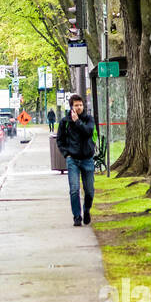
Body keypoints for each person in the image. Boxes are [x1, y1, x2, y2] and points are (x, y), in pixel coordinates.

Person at [56, 94, 96, 226]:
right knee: (74, 189)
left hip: (87, 159)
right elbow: (60, 140)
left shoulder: (88, 119)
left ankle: (87, 210)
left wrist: (77, 121)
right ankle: (77, 216)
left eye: (80, 105)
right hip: (72, 159)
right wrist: (66, 154)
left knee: (89, 190)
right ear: (71, 107)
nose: (79, 107)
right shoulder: (65, 122)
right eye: (76, 105)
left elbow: (88, 132)